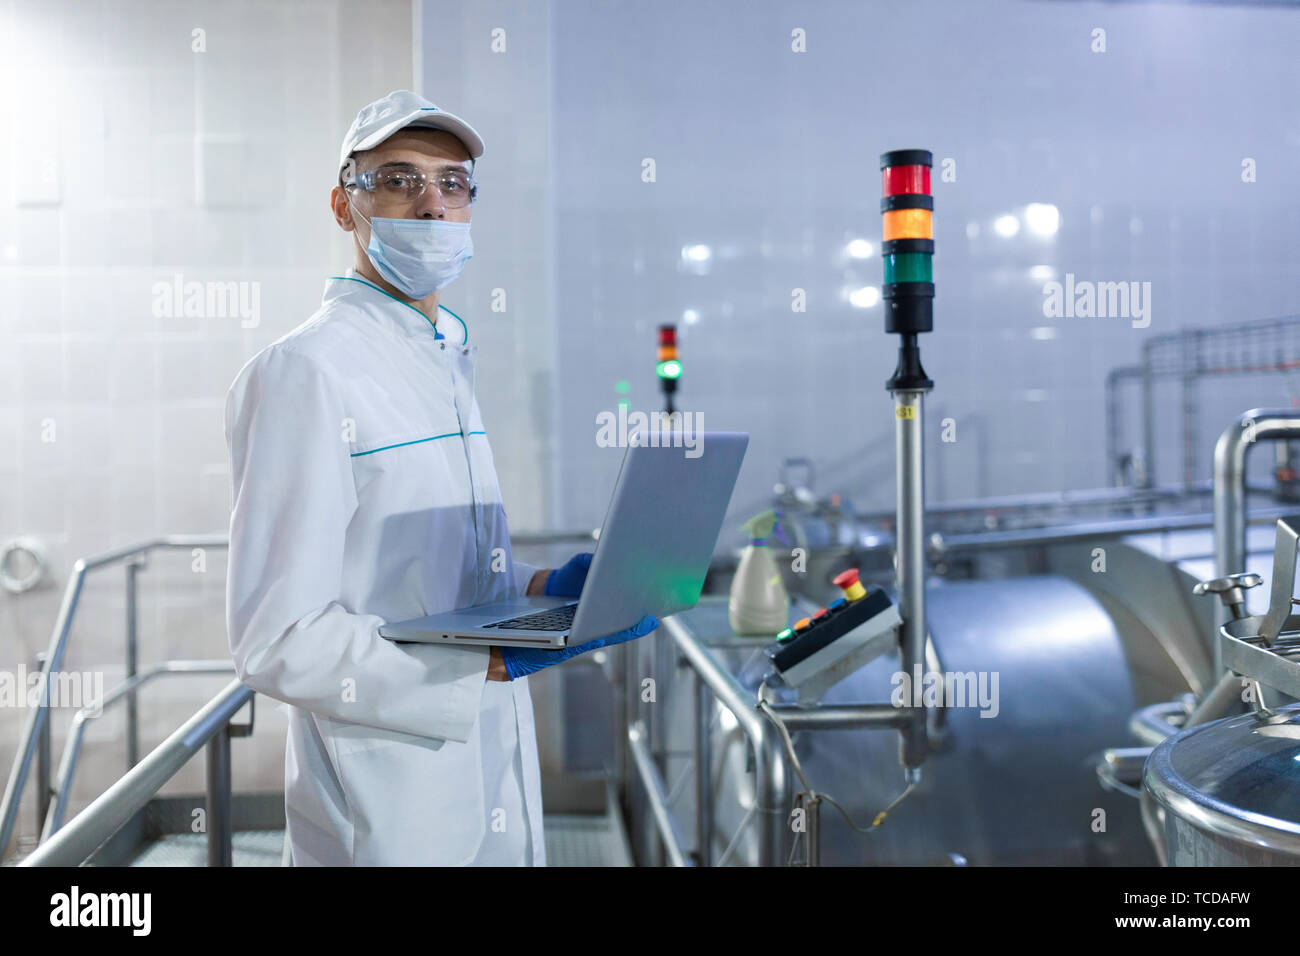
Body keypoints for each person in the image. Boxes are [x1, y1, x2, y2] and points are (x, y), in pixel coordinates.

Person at [223, 90, 657, 866]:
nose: (431, 204)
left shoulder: (442, 351)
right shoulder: (306, 372)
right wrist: (485, 661)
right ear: (342, 204)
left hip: (485, 768)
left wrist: (543, 584)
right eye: (399, 179)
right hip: (384, 802)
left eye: (451, 183)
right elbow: (279, 640)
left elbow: (431, 571)